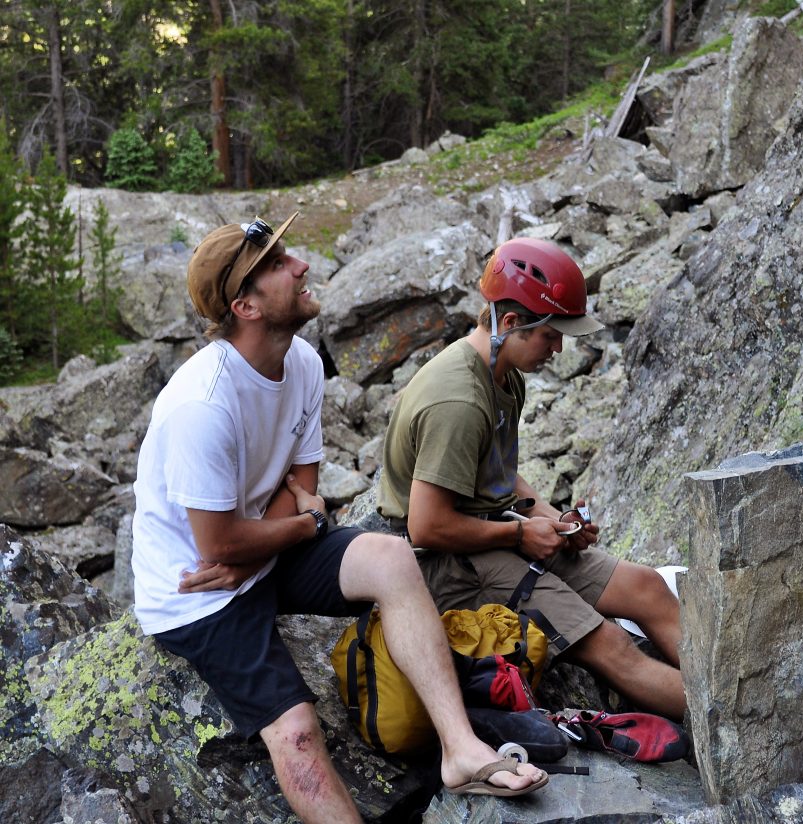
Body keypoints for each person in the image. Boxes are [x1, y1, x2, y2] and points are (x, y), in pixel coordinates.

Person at [131, 214, 546, 823]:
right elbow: (218, 542)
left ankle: (460, 749)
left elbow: (303, 486)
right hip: (197, 593)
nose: (299, 265)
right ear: (245, 305)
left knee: (390, 556)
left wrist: (280, 534)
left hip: (257, 552)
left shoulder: (298, 360)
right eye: (275, 264)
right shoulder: (204, 404)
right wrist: (296, 527)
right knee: (297, 731)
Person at [377, 236, 686, 720]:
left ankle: (731, 695)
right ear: (513, 323)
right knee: (609, 643)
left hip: (491, 533)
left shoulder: (505, 373)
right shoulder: (457, 400)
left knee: (646, 588)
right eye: (552, 334)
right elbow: (426, 526)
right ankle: (738, 732)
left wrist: (551, 518)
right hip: (446, 564)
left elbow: (496, 470)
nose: (560, 348)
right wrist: (522, 533)